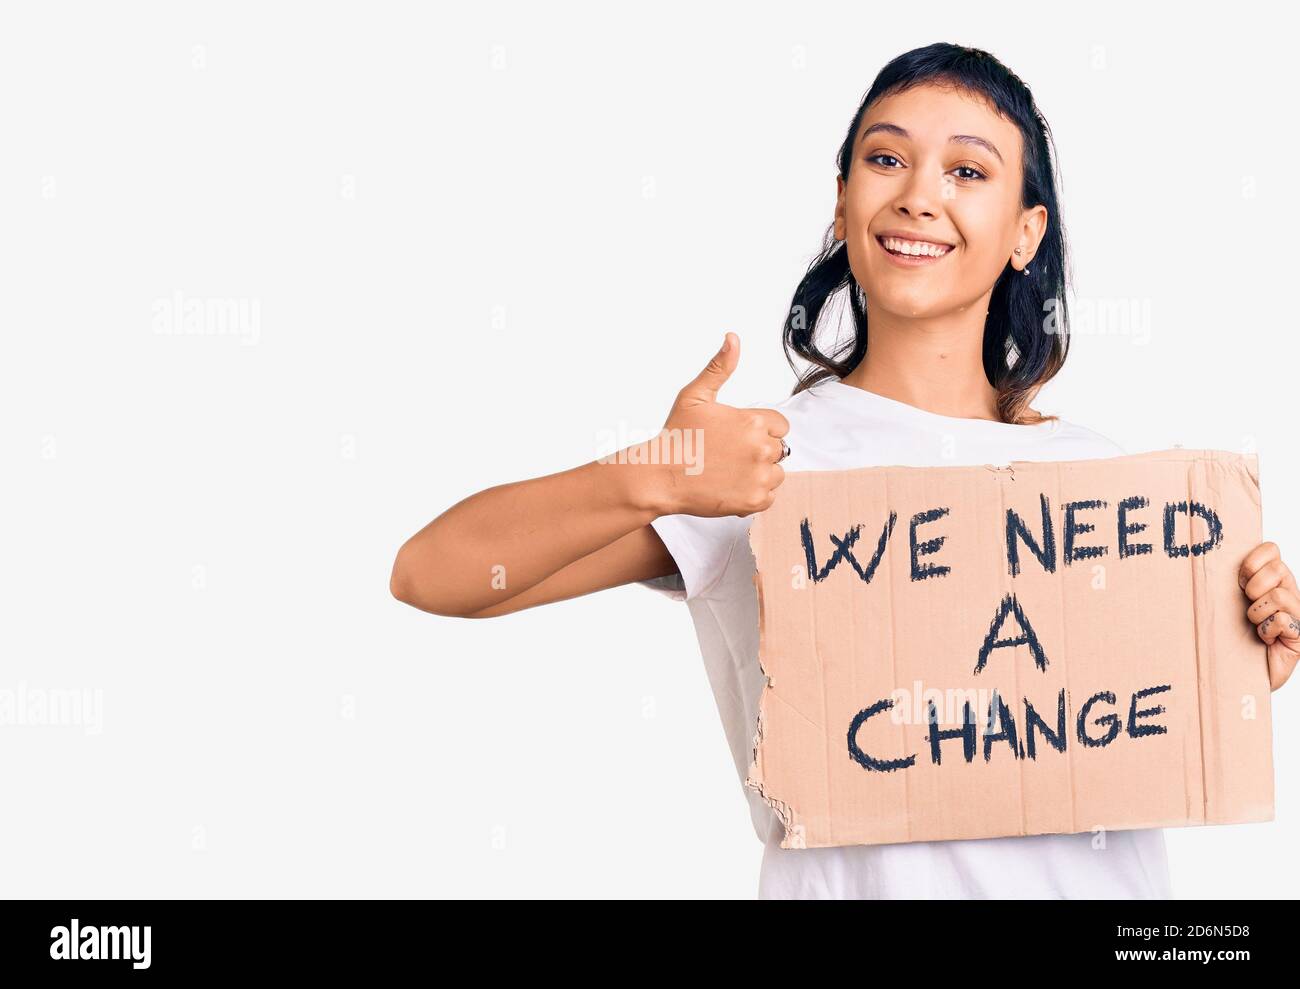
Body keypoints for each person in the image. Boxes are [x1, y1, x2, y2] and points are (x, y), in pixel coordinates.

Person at [390, 42, 1297, 899]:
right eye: (886, 159)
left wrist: (1242, 643)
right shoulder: (757, 462)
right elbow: (433, 573)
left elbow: (1136, 726)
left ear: (1026, 232)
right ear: (841, 201)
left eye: (968, 171)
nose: (919, 196)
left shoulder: (1106, 482)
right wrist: (655, 472)